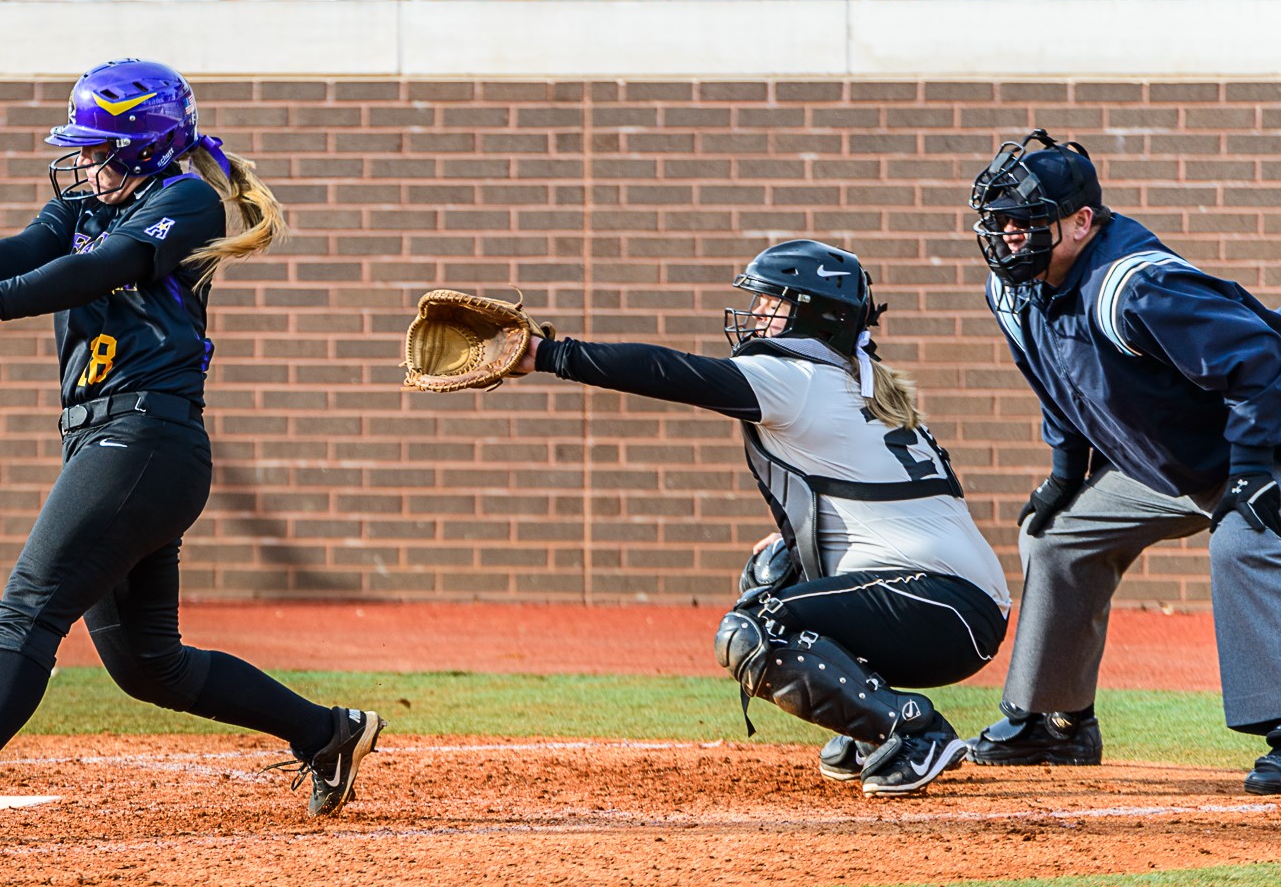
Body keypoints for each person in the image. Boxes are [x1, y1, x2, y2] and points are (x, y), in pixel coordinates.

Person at [0, 59, 383, 841]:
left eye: (98, 148)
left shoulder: (185, 201)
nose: (85, 162)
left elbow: (105, 268)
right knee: (148, 664)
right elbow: (22, 249)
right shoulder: (82, 207)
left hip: (147, 439)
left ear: (142, 148)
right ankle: (329, 733)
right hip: (106, 444)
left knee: (31, 604)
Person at [508, 240, 1010, 796]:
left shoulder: (799, 378)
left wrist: (548, 355)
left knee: (753, 628)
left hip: (938, 606)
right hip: (957, 607)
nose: (759, 315)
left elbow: (670, 372)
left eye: (776, 303)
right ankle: (870, 727)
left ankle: (912, 730)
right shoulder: (856, 378)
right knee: (774, 568)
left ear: (816, 316)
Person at [967, 130, 1281, 789]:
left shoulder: (1135, 286)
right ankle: (1058, 722)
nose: (1011, 235)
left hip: (1261, 442)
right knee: (1057, 537)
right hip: (1185, 462)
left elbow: (1261, 364)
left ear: (1081, 222)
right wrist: (1064, 473)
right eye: (1002, 222)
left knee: (1241, 543)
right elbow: (1060, 384)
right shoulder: (1013, 292)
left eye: (1029, 221)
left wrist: (1253, 472)